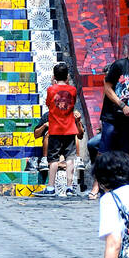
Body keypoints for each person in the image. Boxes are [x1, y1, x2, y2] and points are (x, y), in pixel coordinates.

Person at [43, 62, 84, 198]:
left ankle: (50, 187)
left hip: (55, 129)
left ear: (54, 76)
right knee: (70, 158)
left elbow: (48, 103)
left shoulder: (51, 89)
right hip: (69, 129)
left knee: (53, 159)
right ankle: (70, 187)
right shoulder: (72, 90)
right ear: (67, 76)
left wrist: (52, 84)